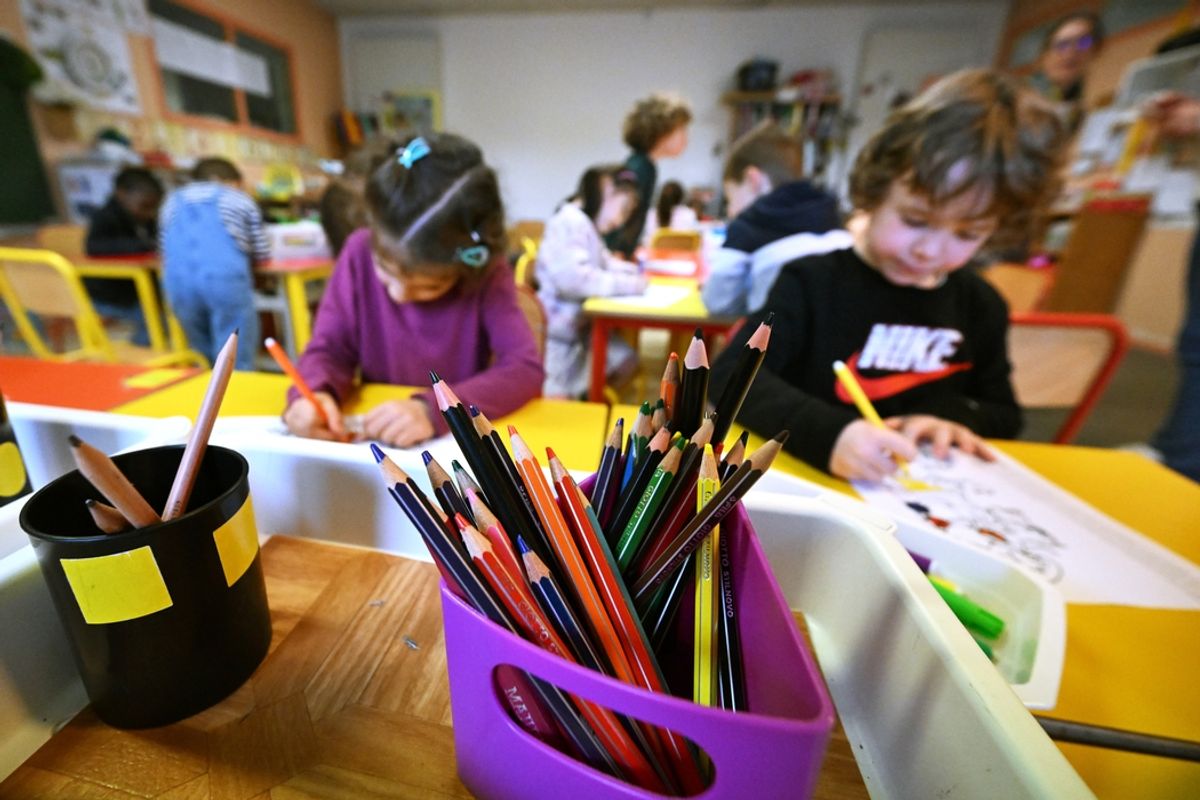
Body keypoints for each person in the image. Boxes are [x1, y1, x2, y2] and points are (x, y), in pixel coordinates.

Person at [709, 69, 1066, 481]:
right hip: (817, 486)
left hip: (926, 498)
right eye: (915, 220)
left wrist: (953, 422)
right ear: (875, 192)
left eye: (968, 233)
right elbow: (730, 376)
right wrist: (831, 435)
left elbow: (1004, 416)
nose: (929, 250)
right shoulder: (811, 282)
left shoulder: (981, 305)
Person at [283, 134, 544, 447]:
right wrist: (313, 393)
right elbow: (329, 350)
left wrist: (434, 409)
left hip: (449, 447)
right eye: (386, 271)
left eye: (429, 286)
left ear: (468, 266)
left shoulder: (489, 273)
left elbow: (524, 368)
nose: (398, 295)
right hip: (373, 439)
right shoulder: (358, 252)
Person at [701, 121, 852, 317]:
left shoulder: (749, 224)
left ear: (753, 179)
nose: (730, 211)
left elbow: (718, 303)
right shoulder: (832, 214)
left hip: (772, 340)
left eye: (731, 198)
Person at [537, 165, 648, 398]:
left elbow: (603, 261)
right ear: (606, 191)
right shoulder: (570, 221)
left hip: (578, 333)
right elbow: (575, 279)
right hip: (559, 339)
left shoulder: (586, 225)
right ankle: (586, 401)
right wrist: (627, 284)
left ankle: (590, 398)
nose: (620, 221)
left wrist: (630, 272)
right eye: (623, 209)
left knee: (627, 360)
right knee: (562, 396)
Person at [159, 157, 269, 370]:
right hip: (225, 281)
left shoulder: (171, 201)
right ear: (226, 180)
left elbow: (165, 248)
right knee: (233, 350)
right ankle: (235, 394)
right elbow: (261, 250)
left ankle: (205, 394)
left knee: (200, 350)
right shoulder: (238, 199)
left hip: (177, 283)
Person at [604, 93, 692, 258]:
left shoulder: (645, 165)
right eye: (681, 130)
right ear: (661, 132)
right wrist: (620, 254)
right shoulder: (641, 168)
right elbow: (621, 220)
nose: (686, 139)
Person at [84, 166, 164, 345]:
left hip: (139, 289)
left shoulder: (146, 220)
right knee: (155, 321)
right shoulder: (105, 216)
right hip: (111, 294)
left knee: (166, 312)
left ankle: (147, 349)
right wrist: (145, 245)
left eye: (153, 207)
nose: (149, 212)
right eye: (144, 206)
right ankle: (143, 355)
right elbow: (94, 247)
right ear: (121, 194)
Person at [1027, 11, 1104, 134]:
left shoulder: (1078, 111)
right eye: (1062, 44)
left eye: (1083, 43)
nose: (1071, 52)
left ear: (1095, 52)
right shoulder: (1018, 97)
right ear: (1045, 55)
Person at [641, 180, 699, 246]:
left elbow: (646, 242)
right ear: (681, 197)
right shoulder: (689, 214)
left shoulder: (650, 214)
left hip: (655, 255)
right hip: (682, 255)